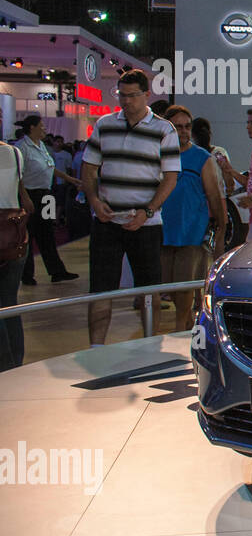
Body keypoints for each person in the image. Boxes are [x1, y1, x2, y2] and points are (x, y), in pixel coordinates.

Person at [80, 69, 180, 345]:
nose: (125, 101)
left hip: (145, 223)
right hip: (106, 221)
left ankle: (150, 345)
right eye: (121, 95)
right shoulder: (105, 124)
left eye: (132, 96)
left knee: (150, 290)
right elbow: (88, 168)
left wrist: (147, 211)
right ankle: (96, 348)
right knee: (100, 289)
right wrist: (94, 201)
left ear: (146, 95)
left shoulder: (163, 129)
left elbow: (171, 177)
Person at [160, 106, 225, 331]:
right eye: (178, 127)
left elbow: (215, 196)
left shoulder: (201, 158)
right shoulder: (157, 155)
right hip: (160, 232)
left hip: (192, 233)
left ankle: (182, 332)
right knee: (161, 287)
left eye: (187, 126)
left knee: (185, 290)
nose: (184, 131)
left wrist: (220, 231)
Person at [16, 116, 80, 285]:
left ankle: (57, 271)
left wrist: (70, 179)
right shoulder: (22, 147)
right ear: (32, 127)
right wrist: (25, 197)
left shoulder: (42, 146)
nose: (45, 129)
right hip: (31, 195)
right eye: (42, 126)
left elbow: (50, 168)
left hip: (46, 195)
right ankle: (26, 274)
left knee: (48, 233)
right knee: (29, 235)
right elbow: (18, 175)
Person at [0, 112, 35, 370]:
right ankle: (15, 364)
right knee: (9, 301)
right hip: (13, 236)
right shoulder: (14, 153)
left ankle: (5, 365)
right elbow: (25, 200)